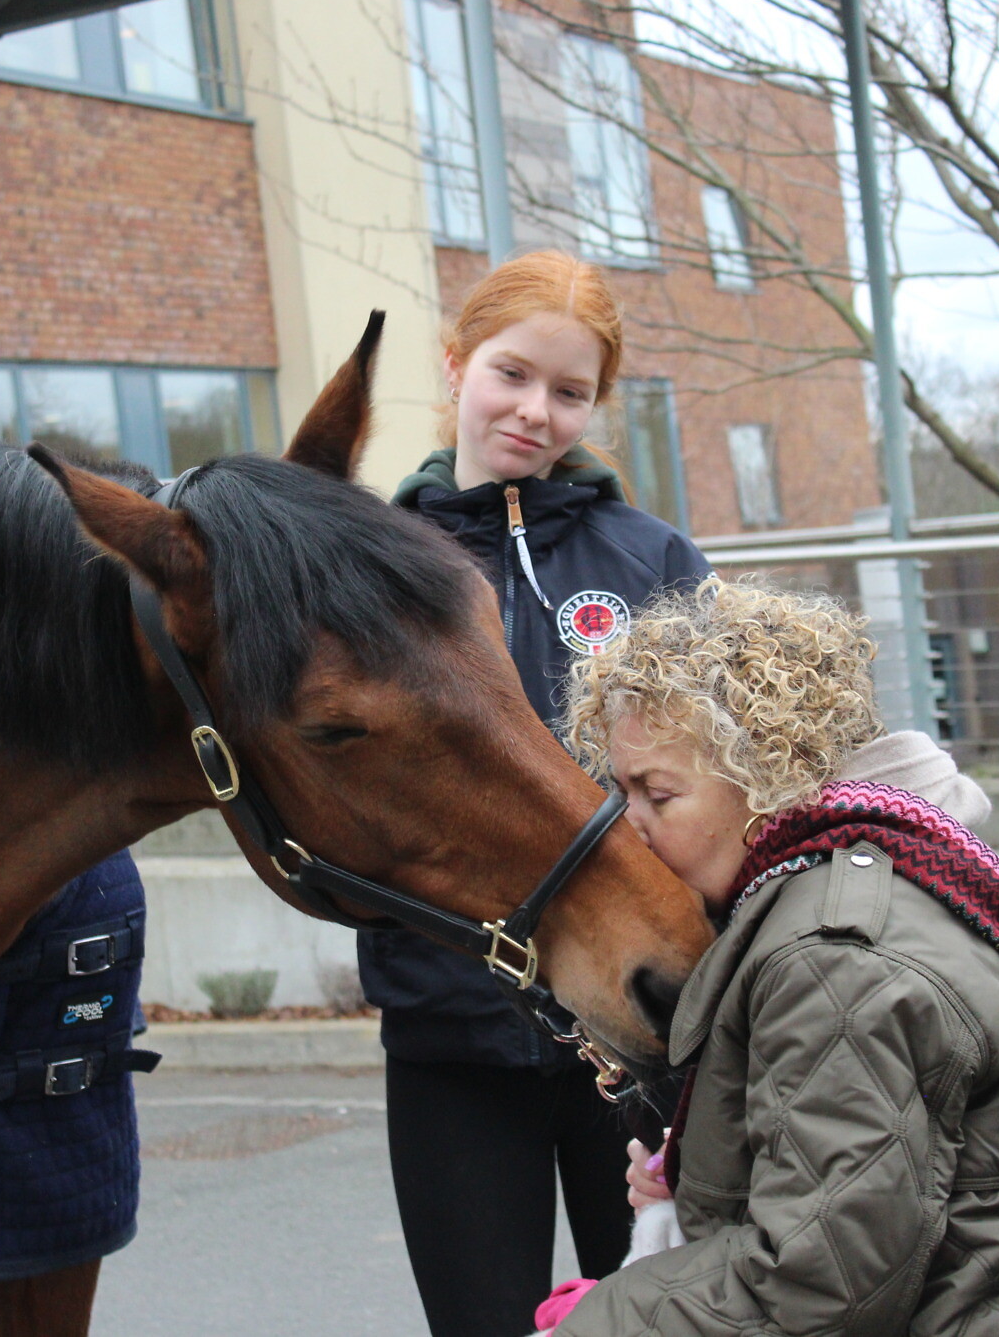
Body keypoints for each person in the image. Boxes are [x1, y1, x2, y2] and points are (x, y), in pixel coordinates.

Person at [539, 577, 999, 1336]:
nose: (631, 829)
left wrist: (592, 1323)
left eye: (658, 794)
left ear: (765, 780)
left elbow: (818, 1287)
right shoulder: (901, 860)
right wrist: (704, 1178)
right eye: (621, 793)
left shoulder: (832, 958)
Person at [357, 250, 710, 1337]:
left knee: (652, 1320)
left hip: (634, 1038)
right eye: (511, 374)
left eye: (569, 391)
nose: (533, 411)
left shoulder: (649, 558)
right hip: (448, 1033)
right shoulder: (373, 564)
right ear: (456, 364)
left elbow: (715, 780)